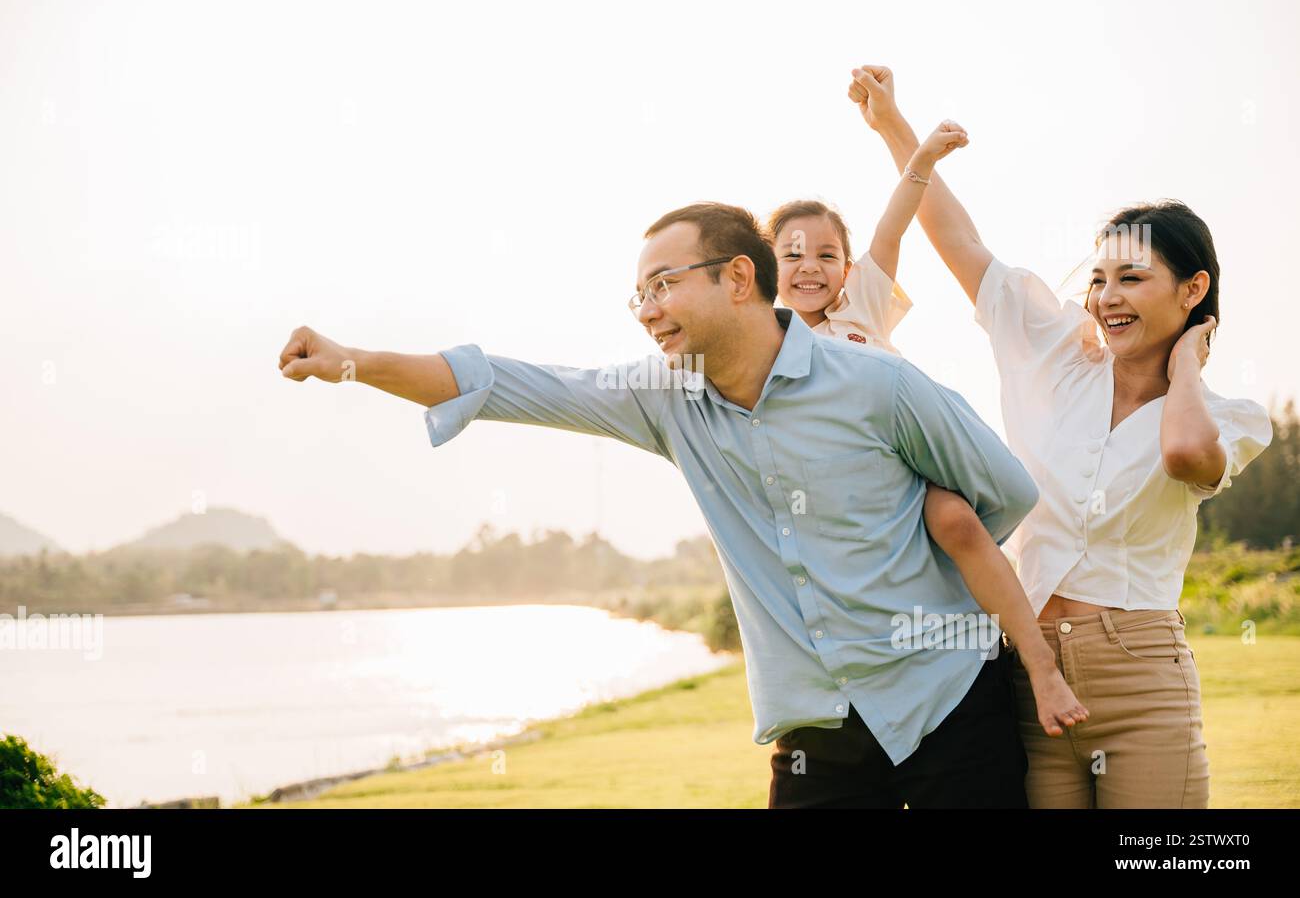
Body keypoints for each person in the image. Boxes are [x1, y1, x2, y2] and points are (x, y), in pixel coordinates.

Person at [278, 201, 1041, 807]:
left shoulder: (879, 387)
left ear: (738, 277)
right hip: (818, 728)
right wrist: (355, 363)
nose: (647, 309)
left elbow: (1002, 494)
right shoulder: (664, 398)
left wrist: (919, 572)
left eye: (664, 284)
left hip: (948, 701)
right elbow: (506, 382)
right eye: (639, 294)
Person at [849, 63, 1274, 807]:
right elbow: (961, 244)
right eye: (1099, 279)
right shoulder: (1052, 355)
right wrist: (895, 127)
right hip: (1031, 677)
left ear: (1194, 288)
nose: (1106, 298)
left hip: (1142, 683)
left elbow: (1182, 455)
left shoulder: (1227, 416)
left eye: (1132, 279)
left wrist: (1186, 365)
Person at [765, 120, 1088, 741]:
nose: (811, 267)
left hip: (914, 455)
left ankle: (1039, 664)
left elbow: (891, 229)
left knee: (958, 524)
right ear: (763, 266)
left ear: (847, 267)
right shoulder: (765, 342)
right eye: (793, 255)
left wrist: (921, 158)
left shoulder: (859, 306)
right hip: (849, 492)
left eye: (827, 255)